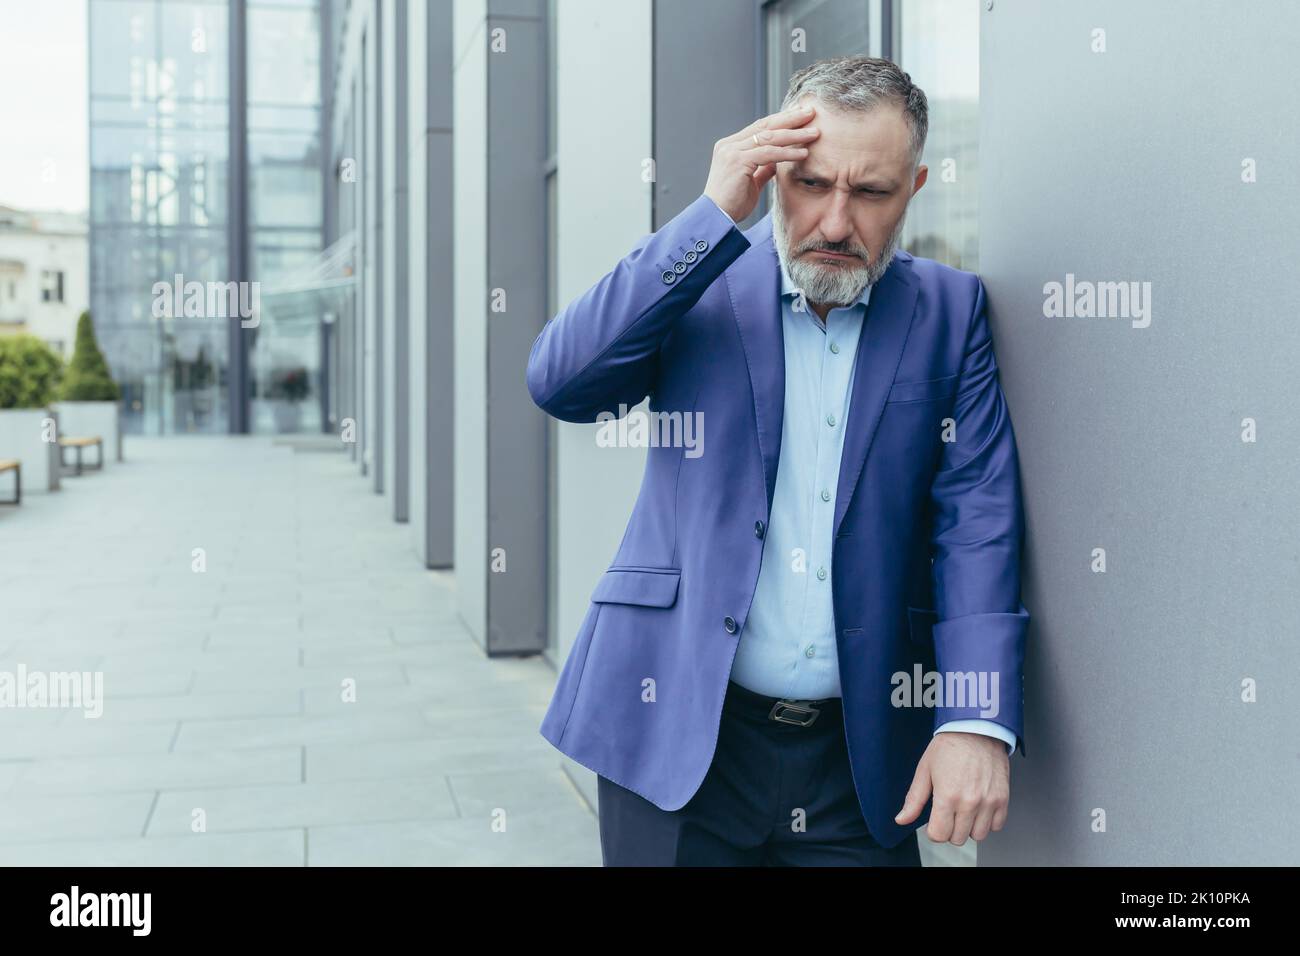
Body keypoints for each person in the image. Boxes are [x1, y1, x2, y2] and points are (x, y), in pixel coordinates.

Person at [526, 55, 1029, 866]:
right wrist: (709, 217)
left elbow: (976, 518)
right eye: (810, 184)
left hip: (859, 757)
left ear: (916, 186)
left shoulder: (950, 311)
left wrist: (973, 716)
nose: (835, 224)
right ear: (768, 172)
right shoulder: (698, 279)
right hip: (678, 733)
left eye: (871, 194)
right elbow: (562, 384)